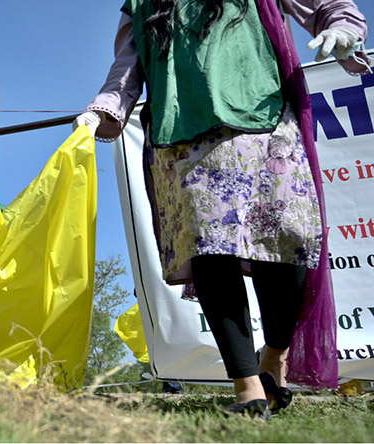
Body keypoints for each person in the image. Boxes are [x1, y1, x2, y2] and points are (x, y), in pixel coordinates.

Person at [74, 0, 370, 418]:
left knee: (288, 243)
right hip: (185, 138)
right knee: (211, 254)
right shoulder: (141, 5)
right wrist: (101, 110)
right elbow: (126, 72)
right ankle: (248, 387)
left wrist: (342, 29)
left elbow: (328, 6)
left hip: (266, 121)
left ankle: (275, 356)